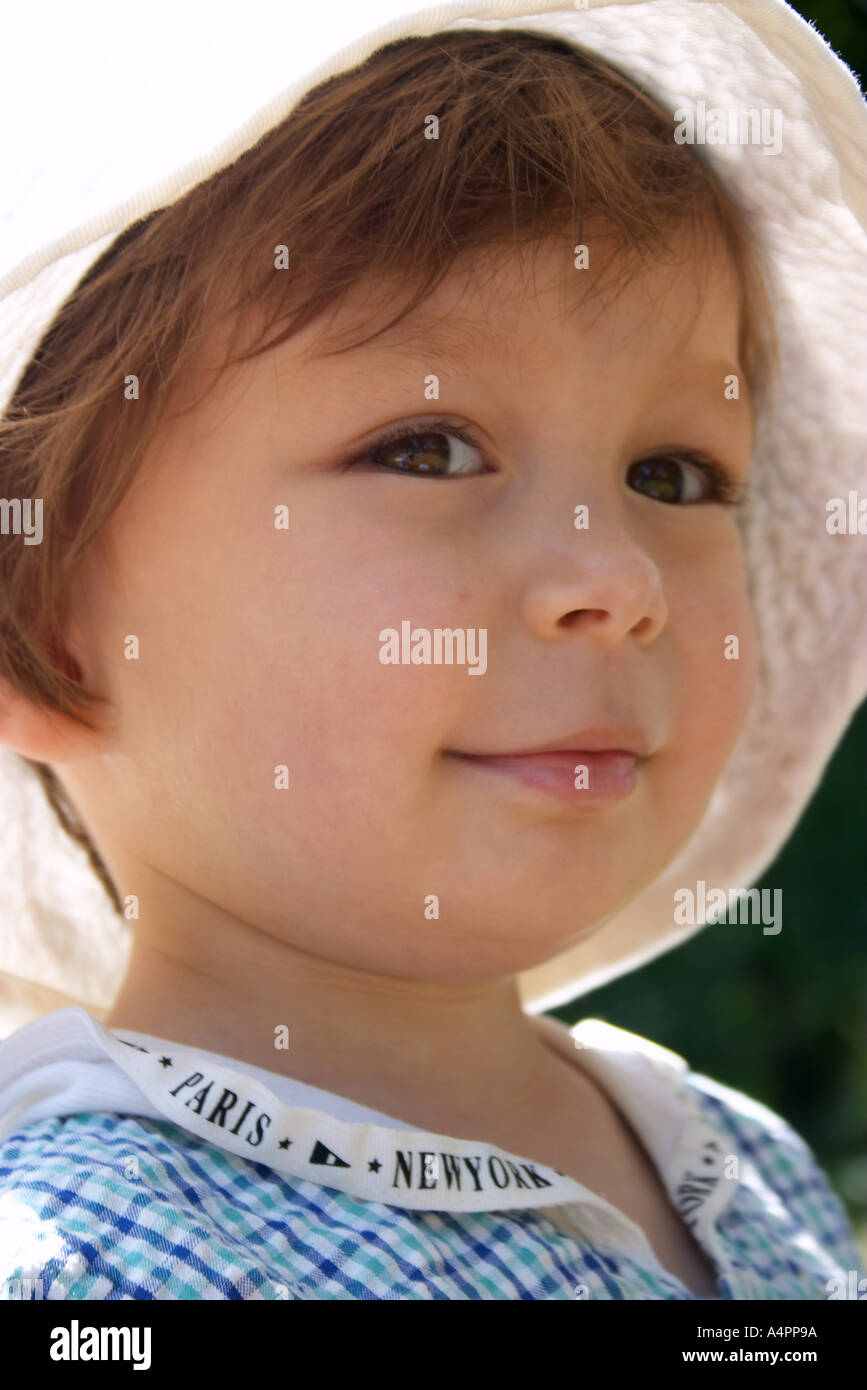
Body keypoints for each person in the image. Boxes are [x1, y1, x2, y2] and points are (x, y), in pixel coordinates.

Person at [0, 0, 865, 1301]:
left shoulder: (740, 1167)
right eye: (427, 449)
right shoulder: (97, 1263)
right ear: (41, 627)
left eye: (673, 472)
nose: (617, 578)